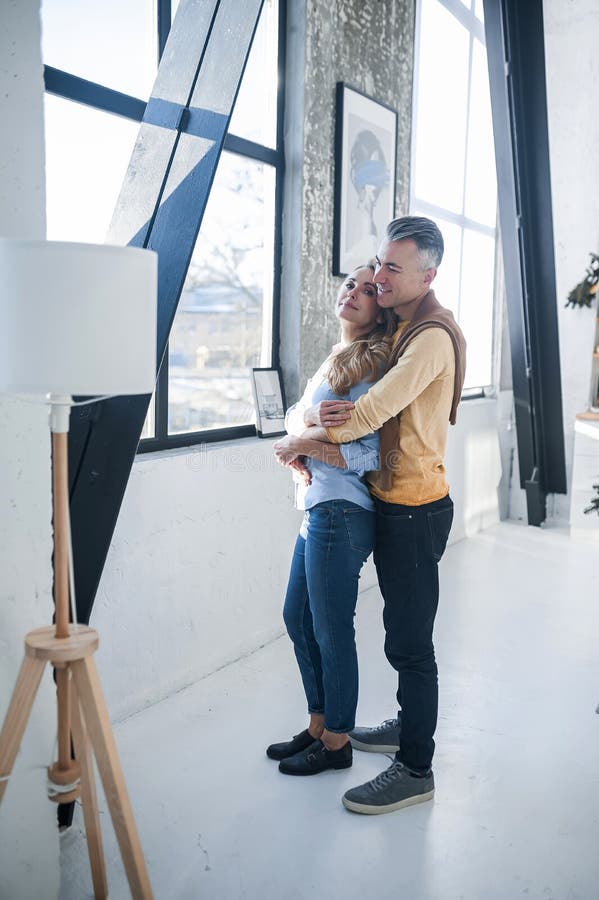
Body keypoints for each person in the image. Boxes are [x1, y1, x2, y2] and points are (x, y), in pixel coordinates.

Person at [298, 216, 466, 814]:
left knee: (412, 645)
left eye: (395, 267)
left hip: (416, 510)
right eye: (380, 262)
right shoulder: (400, 327)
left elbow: (367, 414)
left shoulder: (430, 338)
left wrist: (300, 436)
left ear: (429, 274)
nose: (381, 276)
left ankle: (415, 767)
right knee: (400, 635)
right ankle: (403, 726)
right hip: (391, 503)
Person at [266, 264, 395, 776]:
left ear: (380, 308)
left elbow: (371, 457)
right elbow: (293, 414)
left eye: (369, 290)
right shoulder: (337, 357)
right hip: (318, 505)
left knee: (330, 627)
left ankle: (338, 741)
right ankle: (319, 724)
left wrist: (302, 440)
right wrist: (304, 431)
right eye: (351, 283)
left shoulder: (372, 368)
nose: (355, 293)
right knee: (297, 618)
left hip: (342, 512)